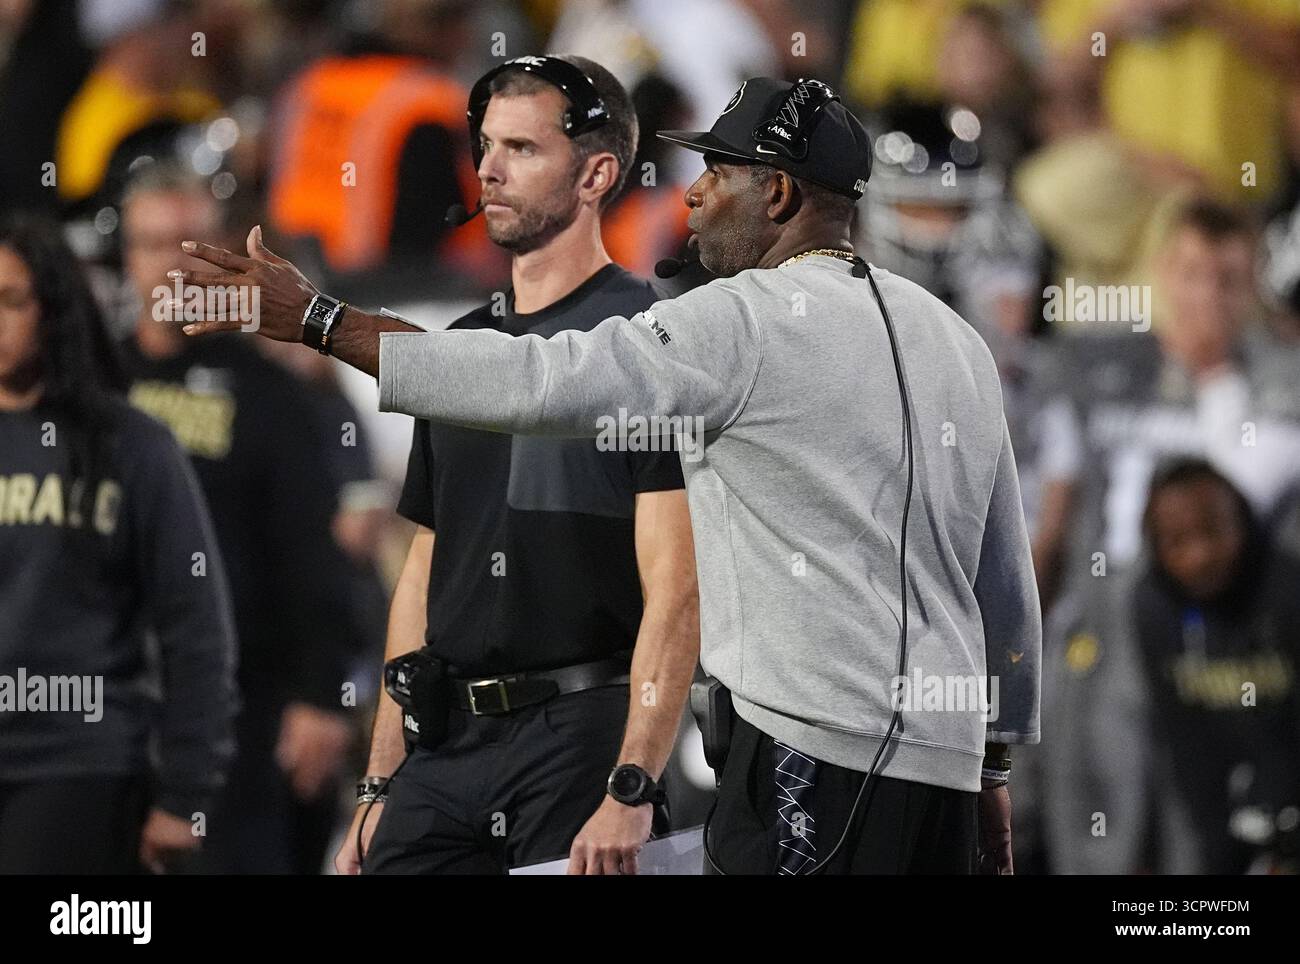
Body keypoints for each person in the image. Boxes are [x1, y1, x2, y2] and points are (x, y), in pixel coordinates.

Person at [176, 75, 1043, 875]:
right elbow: (1002, 575)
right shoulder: (955, 340)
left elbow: (535, 380)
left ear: (778, 193)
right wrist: (993, 764)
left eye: (718, 174)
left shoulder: (742, 321)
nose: (692, 195)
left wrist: (322, 319)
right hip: (943, 768)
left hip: (813, 761)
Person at [118, 166, 362, 874]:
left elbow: (312, 558)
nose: (170, 264)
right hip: (113, 700)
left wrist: (320, 695)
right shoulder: (94, 384)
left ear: (220, 253)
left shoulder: (271, 394)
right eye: (152, 243)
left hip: (243, 710)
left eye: (187, 244)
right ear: (126, 257)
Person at [0, 214, 237, 873]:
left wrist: (185, 792)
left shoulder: (131, 445)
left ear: (55, 310)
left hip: (79, 766)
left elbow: (196, 627)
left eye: (11, 300)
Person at [1132, 458, 1300, 873]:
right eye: (1177, 541)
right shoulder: (1152, 609)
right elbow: (1184, 745)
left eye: (1213, 531)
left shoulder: (1287, 590)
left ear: (1241, 520)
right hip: (1220, 821)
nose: (1200, 555)